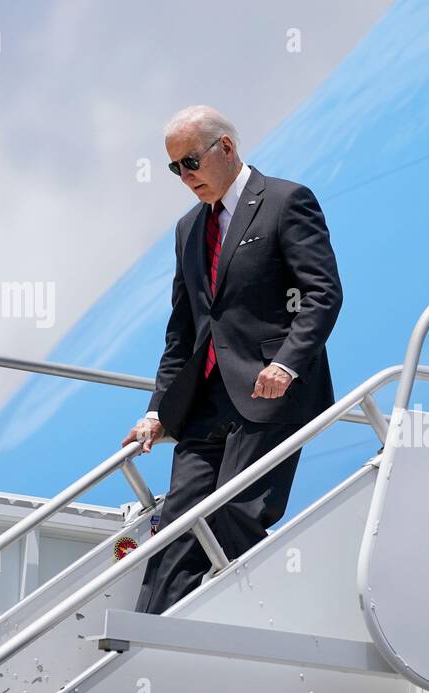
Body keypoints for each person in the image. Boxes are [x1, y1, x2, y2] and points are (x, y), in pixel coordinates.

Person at [122, 105, 342, 614]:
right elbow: (183, 329)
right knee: (176, 525)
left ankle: (250, 626)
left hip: (270, 394)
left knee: (234, 514)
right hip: (203, 402)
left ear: (226, 147)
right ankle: (144, 643)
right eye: (175, 168)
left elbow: (323, 293)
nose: (186, 177)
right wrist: (157, 410)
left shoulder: (287, 201)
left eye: (191, 162)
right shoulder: (187, 230)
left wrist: (287, 363)